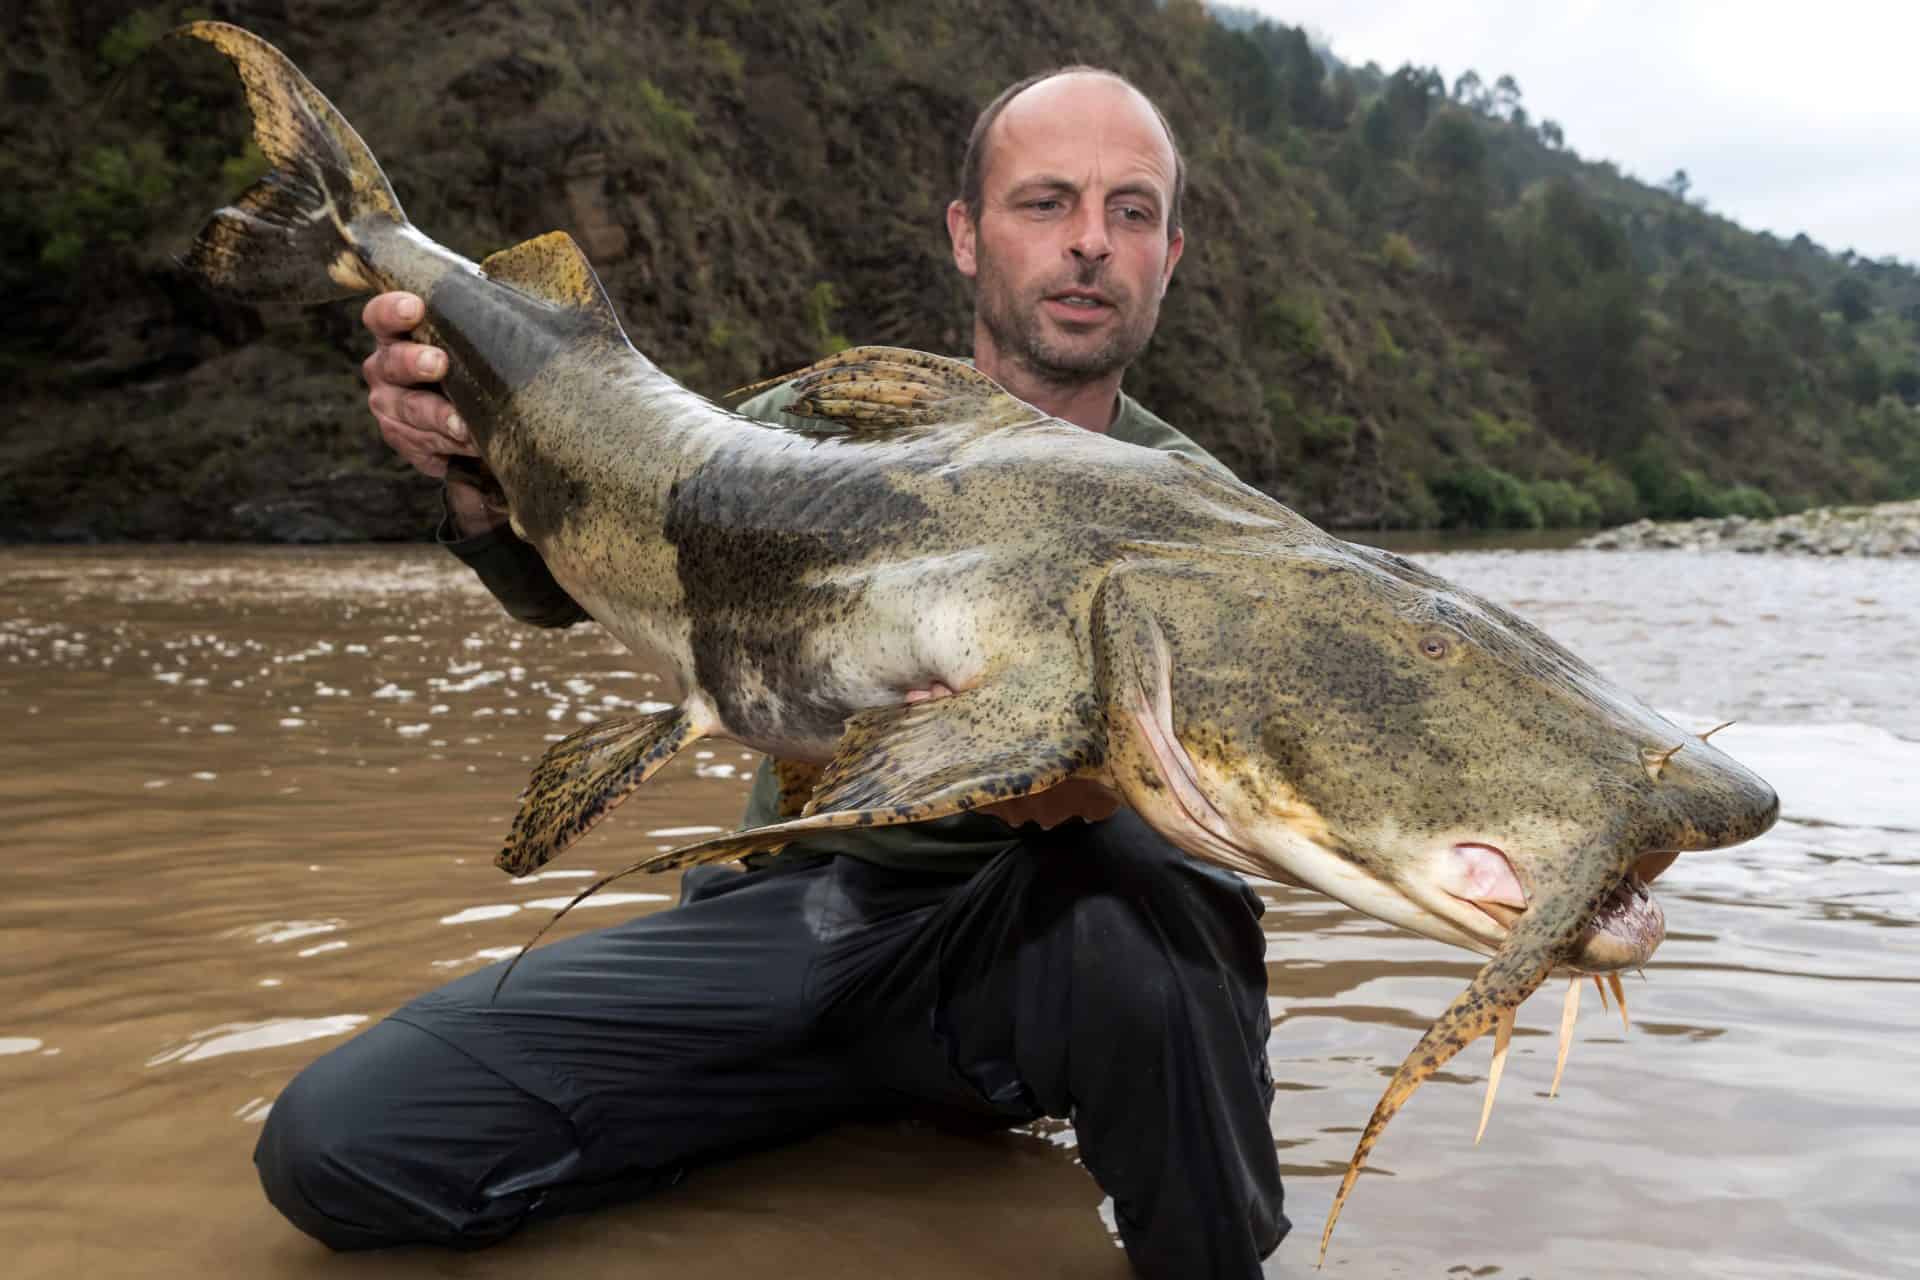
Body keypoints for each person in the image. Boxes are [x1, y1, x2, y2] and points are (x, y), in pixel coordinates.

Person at [255, 68, 1288, 1278]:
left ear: (1172, 250)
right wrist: (476, 469)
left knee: (1159, 906)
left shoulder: (1215, 525)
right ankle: (771, 1115)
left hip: (1027, 948)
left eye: (1129, 211)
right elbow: (580, 570)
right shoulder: (823, 425)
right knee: (333, 1143)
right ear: (967, 234)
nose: (1086, 245)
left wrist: (1044, 778)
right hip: (790, 912)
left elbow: (1245, 801)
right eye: (1046, 202)